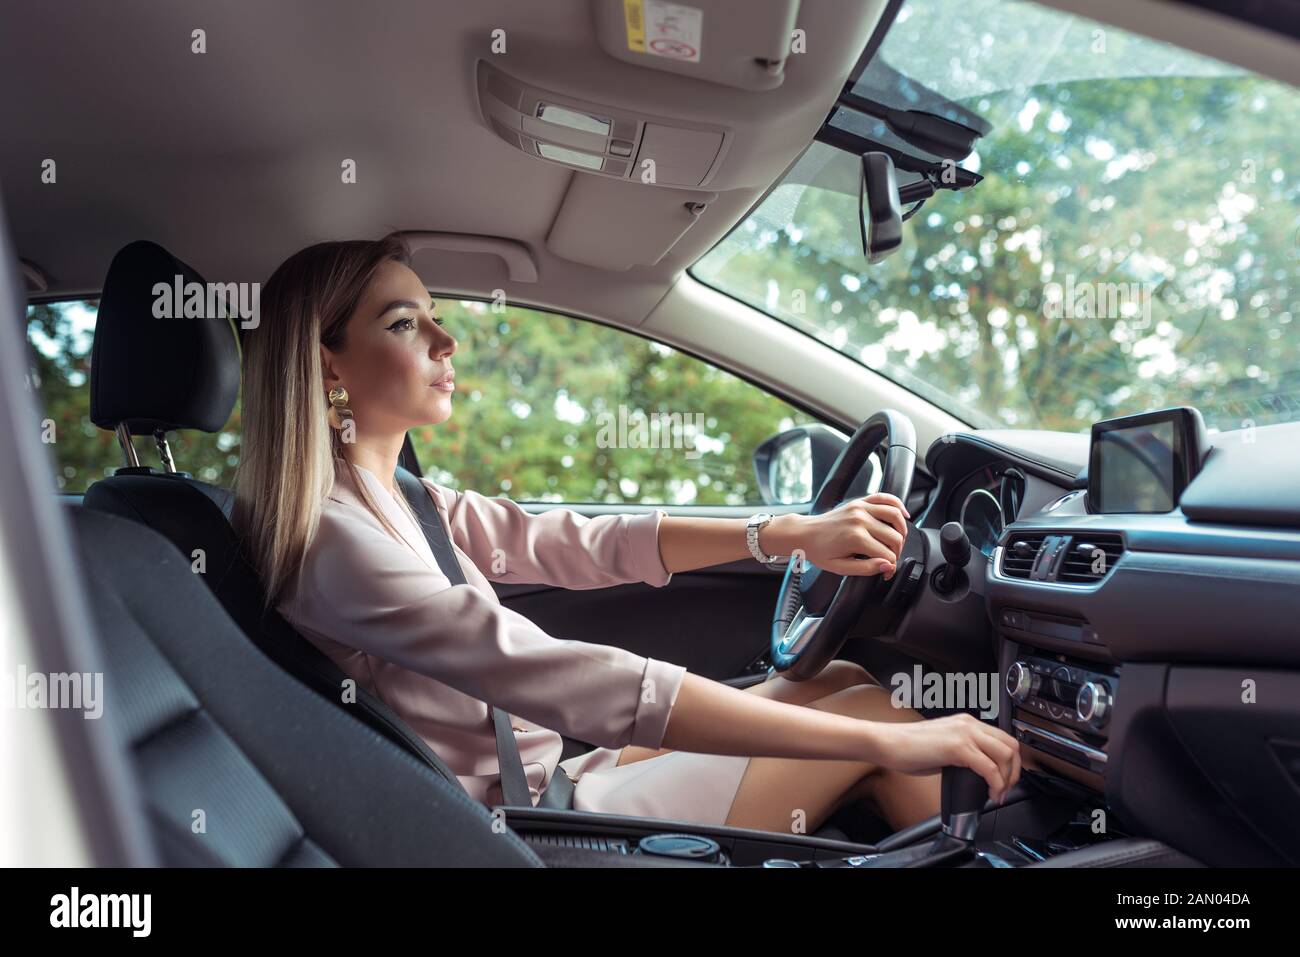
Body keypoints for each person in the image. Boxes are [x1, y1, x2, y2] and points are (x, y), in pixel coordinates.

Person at [231, 231, 1020, 836]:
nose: (447, 343)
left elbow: (581, 541)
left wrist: (789, 533)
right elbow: (572, 677)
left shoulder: (397, 495)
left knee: (841, 680)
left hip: (556, 779)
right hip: (537, 829)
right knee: (877, 727)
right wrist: (892, 748)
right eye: (407, 324)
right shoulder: (334, 542)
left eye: (437, 317)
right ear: (328, 365)